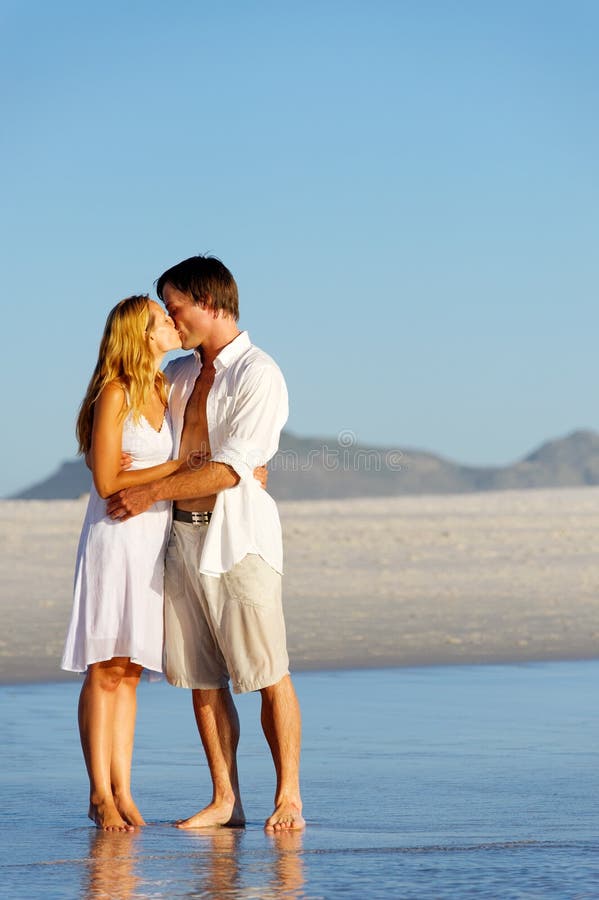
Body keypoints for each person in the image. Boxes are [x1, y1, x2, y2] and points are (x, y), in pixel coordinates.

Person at [107, 254, 305, 832]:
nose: (172, 320)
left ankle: (288, 796)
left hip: (238, 542)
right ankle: (226, 799)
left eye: (176, 307)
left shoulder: (259, 373)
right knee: (201, 678)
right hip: (179, 540)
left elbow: (230, 468)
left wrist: (150, 492)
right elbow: (156, 438)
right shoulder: (182, 375)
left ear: (211, 304)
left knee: (268, 672)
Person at [61, 294, 183, 831]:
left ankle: (124, 790)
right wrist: (176, 466)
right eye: (163, 320)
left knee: (130, 672)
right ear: (143, 334)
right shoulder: (115, 393)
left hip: (151, 539)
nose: (174, 324)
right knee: (105, 666)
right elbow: (107, 481)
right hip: (115, 536)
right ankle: (97, 793)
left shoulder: (162, 386)